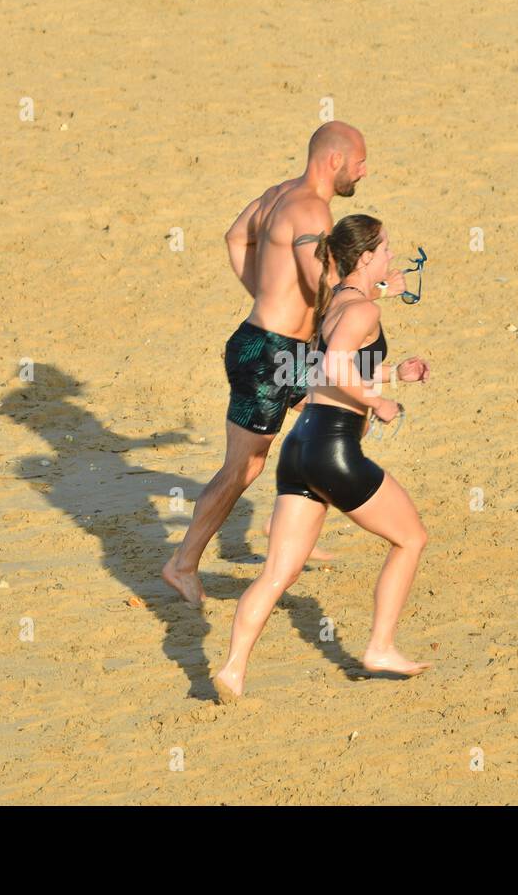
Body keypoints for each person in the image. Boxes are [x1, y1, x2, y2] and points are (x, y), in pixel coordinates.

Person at [160, 122, 383, 605]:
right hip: (268, 354)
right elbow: (321, 284)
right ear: (334, 160)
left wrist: (263, 297)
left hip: (282, 350)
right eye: (359, 162)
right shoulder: (312, 211)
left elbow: (235, 238)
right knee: (242, 469)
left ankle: (288, 520)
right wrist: (367, 288)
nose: (364, 171)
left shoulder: (278, 195)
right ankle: (181, 564)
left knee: (344, 417)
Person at [213, 214, 432, 701]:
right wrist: (377, 402)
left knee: (277, 574)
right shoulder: (362, 313)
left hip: (299, 450)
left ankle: (231, 670)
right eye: (387, 250)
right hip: (335, 449)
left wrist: (397, 373)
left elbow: (338, 365)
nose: (394, 258)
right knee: (411, 538)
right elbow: (337, 367)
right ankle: (380, 646)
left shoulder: (330, 305)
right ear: (367, 256)